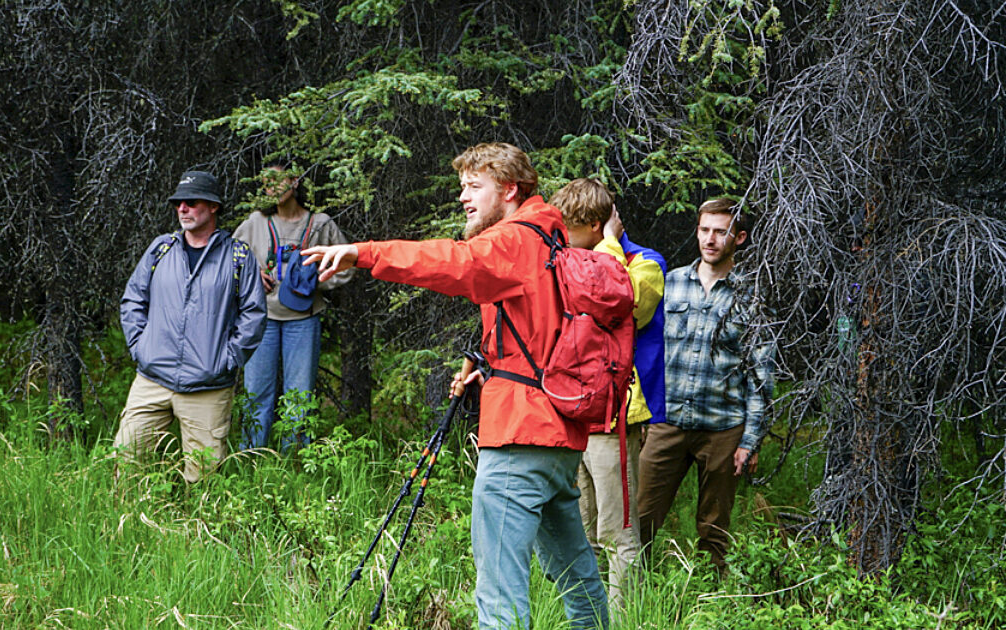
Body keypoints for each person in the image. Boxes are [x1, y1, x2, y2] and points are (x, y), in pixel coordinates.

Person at [305, 143, 610, 630]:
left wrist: (363, 254)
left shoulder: (514, 239)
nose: (463, 198)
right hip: (557, 437)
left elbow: (454, 263)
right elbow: (538, 329)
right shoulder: (551, 239)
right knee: (576, 574)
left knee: (499, 592)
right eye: (461, 187)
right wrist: (486, 362)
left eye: (474, 186)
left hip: (518, 438)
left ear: (509, 190)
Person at [636, 198, 774, 570]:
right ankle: (636, 594)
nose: (710, 239)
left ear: (739, 237)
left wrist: (750, 440)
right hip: (667, 421)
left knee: (714, 527)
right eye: (704, 230)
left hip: (722, 428)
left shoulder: (751, 296)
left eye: (721, 231)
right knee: (641, 516)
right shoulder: (671, 284)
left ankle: (711, 599)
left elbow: (760, 375)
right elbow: (646, 353)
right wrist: (643, 414)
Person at [549, 178, 666, 607]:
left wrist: (610, 246)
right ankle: (584, 613)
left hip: (615, 415)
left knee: (617, 531)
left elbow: (622, 301)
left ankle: (622, 618)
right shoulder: (571, 260)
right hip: (572, 413)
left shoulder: (645, 264)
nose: (563, 241)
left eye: (572, 231)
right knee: (580, 527)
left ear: (597, 226)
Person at [116, 167, 267, 483]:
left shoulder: (238, 256)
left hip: (208, 386)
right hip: (152, 378)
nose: (182, 208)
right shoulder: (161, 249)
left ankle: (197, 532)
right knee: (128, 461)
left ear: (213, 206)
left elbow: (253, 314)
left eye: (192, 202)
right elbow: (133, 300)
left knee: (204, 477)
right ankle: (130, 528)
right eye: (178, 202)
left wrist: (227, 360)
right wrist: (140, 347)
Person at [233, 164, 353, 449]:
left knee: (299, 394)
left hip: (304, 318)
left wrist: (314, 282)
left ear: (295, 181)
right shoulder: (255, 223)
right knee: (256, 392)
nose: (270, 187)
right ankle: (250, 458)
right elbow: (229, 262)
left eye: (276, 180)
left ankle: (296, 462)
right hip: (262, 318)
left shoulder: (320, 223)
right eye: (265, 182)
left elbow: (347, 266)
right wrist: (250, 278)